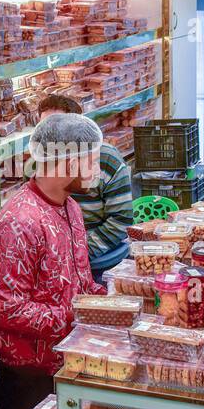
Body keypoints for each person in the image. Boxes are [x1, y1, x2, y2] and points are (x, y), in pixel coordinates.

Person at [0, 113, 106, 409]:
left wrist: (112, 303)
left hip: (70, 362)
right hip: (31, 380)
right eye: (92, 162)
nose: (97, 171)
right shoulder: (20, 222)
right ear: (68, 164)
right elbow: (7, 310)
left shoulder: (70, 207)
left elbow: (82, 280)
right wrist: (72, 313)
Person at [36, 94, 133, 278]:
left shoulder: (106, 160)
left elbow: (121, 221)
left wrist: (77, 252)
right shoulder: (39, 165)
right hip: (57, 262)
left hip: (101, 263)